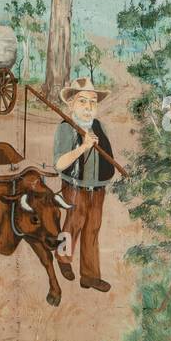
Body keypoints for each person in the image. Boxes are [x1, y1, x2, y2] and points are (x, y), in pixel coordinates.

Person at [52, 77, 115, 292]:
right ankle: (62, 257)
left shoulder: (100, 126)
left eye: (93, 102)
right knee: (72, 223)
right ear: (70, 104)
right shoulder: (65, 128)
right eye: (82, 101)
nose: (88, 107)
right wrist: (83, 147)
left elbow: (107, 157)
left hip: (97, 188)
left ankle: (90, 275)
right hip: (75, 186)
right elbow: (59, 164)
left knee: (93, 229)